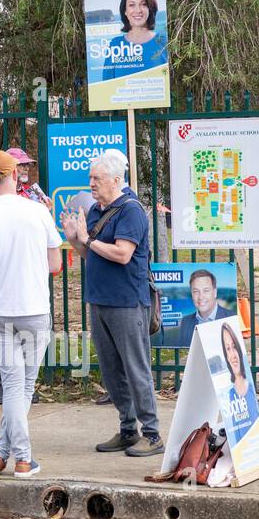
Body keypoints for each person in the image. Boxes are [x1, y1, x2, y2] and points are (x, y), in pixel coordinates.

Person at [0, 151, 63, 479]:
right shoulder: (37, 211)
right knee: (24, 385)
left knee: (13, 385)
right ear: (15, 174)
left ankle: (1, 455)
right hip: (33, 309)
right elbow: (56, 265)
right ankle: (24, 459)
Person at [62, 149, 163, 456]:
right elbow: (90, 254)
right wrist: (76, 240)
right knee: (110, 370)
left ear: (116, 179)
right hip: (100, 300)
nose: (91, 183)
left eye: (97, 178)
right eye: (90, 177)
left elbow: (122, 254)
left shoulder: (130, 210)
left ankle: (153, 434)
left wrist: (89, 240)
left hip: (127, 302)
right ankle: (127, 429)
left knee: (135, 368)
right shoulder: (95, 210)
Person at [101, 0, 168, 81]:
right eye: (132, 5)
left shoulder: (164, 42)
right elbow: (105, 86)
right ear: (125, 11)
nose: (138, 10)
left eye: (144, 4)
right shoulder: (115, 45)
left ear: (150, 8)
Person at [163, 268, 234, 347]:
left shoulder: (231, 317)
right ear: (191, 294)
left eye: (206, 290)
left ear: (215, 293)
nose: (200, 297)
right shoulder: (185, 321)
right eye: (196, 291)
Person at [221, 321, 259, 441]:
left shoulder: (251, 389)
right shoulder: (231, 394)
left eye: (234, 347)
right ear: (226, 356)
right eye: (228, 349)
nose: (233, 355)